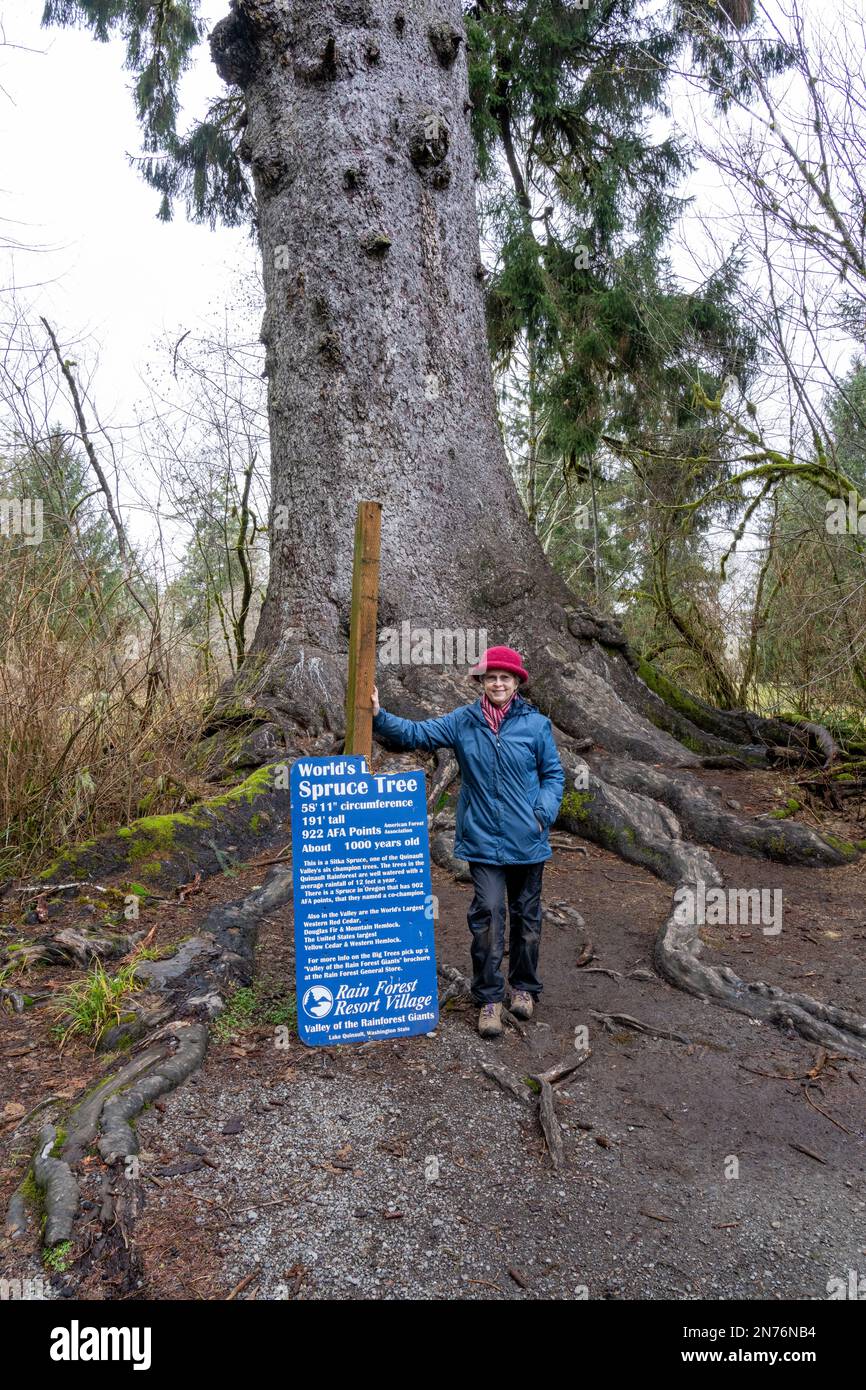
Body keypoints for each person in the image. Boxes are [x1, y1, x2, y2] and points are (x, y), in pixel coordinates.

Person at [371, 645, 565, 1038]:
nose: (497, 683)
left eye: (505, 678)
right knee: (489, 915)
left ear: (516, 683)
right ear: (481, 681)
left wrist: (541, 813)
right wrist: (378, 714)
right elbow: (416, 733)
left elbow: (553, 775)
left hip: (528, 840)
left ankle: (524, 988)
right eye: (491, 677)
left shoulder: (536, 725)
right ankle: (489, 999)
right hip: (483, 839)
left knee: (527, 919)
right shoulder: (464, 721)